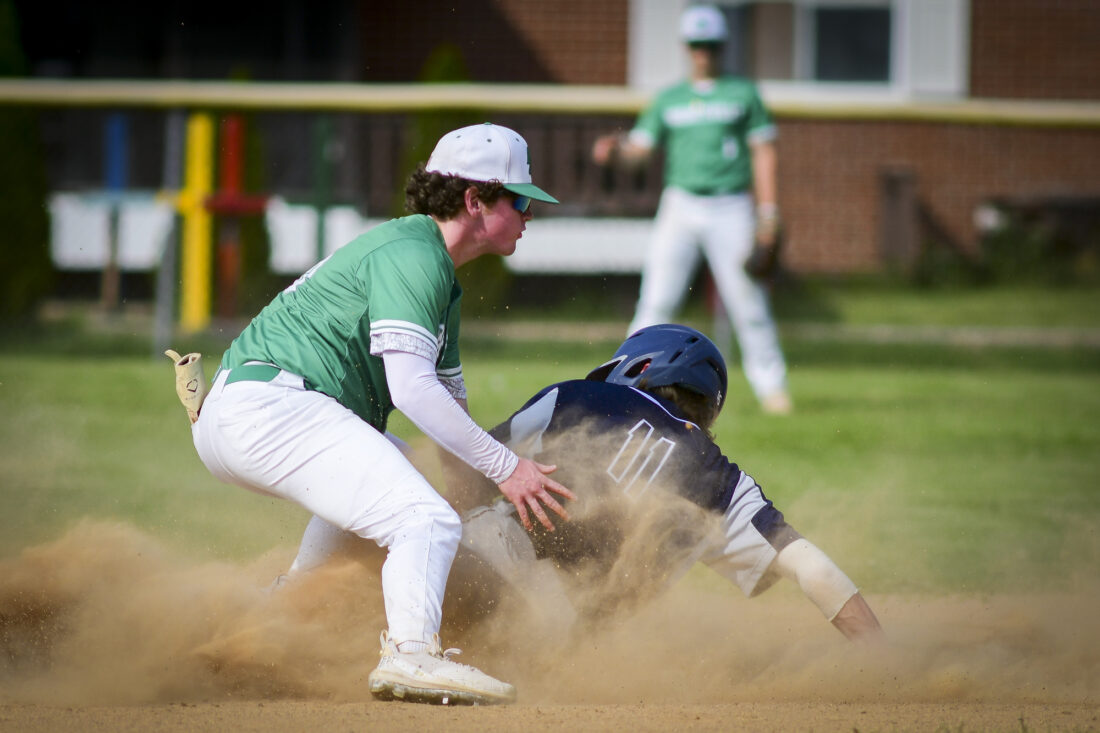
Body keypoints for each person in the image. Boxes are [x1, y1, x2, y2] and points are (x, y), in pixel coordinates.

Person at [182, 122, 576, 707]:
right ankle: (412, 655)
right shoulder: (413, 255)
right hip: (268, 407)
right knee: (422, 519)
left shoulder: (435, 273)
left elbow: (446, 408)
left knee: (400, 471)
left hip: (255, 409)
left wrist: (477, 510)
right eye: (518, 200)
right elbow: (412, 391)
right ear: (474, 200)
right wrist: (508, 470)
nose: (529, 214)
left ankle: (271, 618)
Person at [453, 323, 882, 644]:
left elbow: (474, 462)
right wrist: (885, 660)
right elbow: (816, 571)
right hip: (559, 635)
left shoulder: (581, 395)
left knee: (422, 549)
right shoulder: (717, 477)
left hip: (490, 565)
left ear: (639, 366)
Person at [592, 4, 793, 415]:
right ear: (687, 48)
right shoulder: (670, 98)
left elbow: (764, 154)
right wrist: (616, 152)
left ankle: (773, 389)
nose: (704, 53)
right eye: (698, 45)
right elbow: (640, 152)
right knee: (655, 300)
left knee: (749, 303)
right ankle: (624, 382)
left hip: (731, 204)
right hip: (681, 203)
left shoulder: (743, 93)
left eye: (712, 45)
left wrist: (769, 212)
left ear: (723, 47)